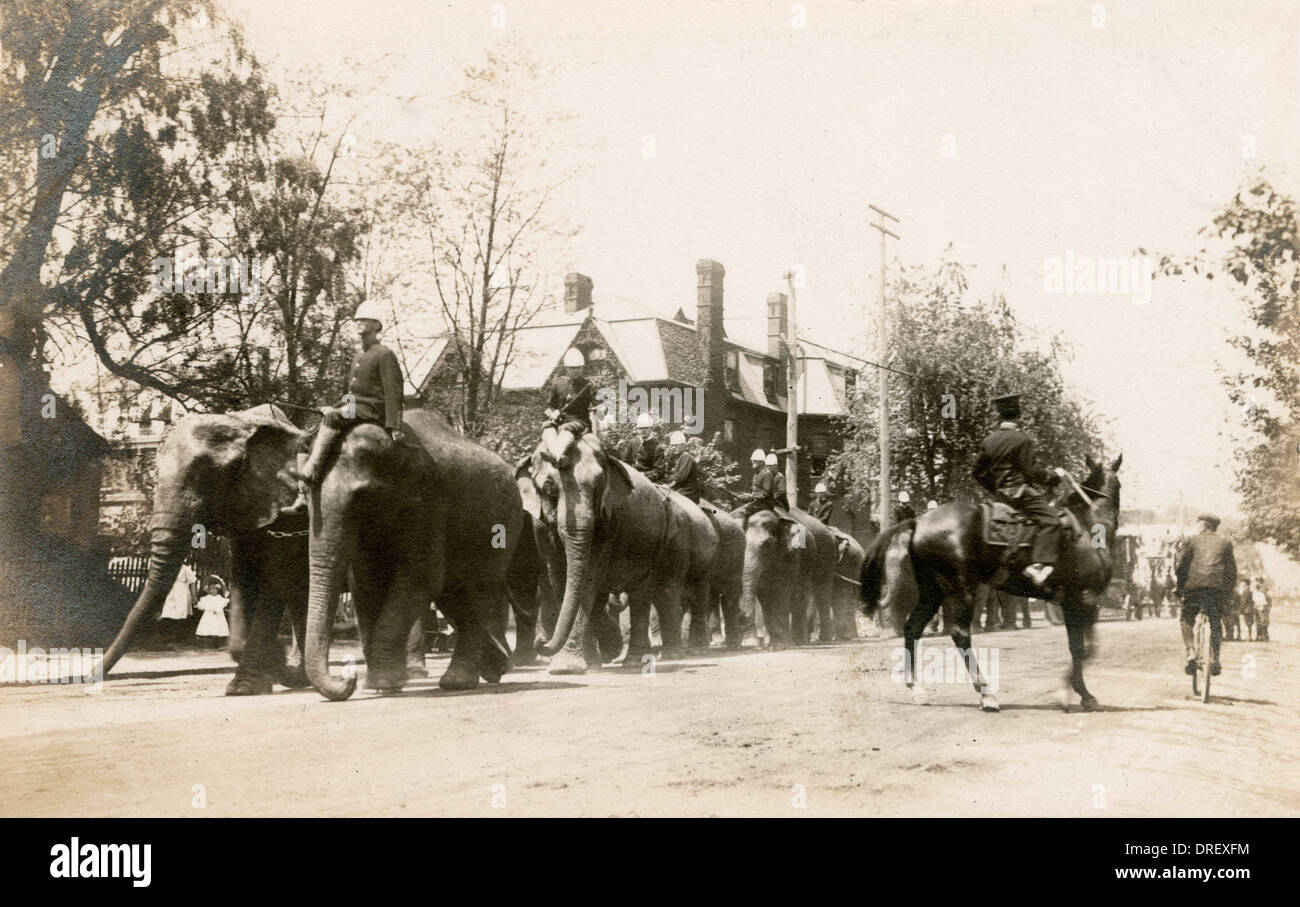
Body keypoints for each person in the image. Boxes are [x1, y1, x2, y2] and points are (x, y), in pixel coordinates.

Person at [291, 301, 405, 510]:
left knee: (333, 418)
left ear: (376, 325)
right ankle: (302, 494)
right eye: (357, 320)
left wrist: (394, 425)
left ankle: (310, 470)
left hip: (372, 409)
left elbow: (393, 391)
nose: (358, 323)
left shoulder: (384, 354)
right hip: (355, 406)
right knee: (304, 439)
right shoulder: (358, 355)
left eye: (364, 319)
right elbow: (352, 393)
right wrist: (334, 406)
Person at [971, 392, 1061, 590]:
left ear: (1000, 415)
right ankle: (1038, 564)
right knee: (1051, 521)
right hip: (1021, 493)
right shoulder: (1023, 440)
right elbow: (1032, 471)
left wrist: (995, 488)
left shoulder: (989, 440)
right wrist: (1053, 477)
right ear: (1018, 414)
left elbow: (977, 473)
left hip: (1001, 497)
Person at [1174, 512, 1236, 677]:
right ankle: (1215, 659)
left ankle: (1191, 653)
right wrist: (1228, 592)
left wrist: (1179, 589)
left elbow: (1181, 567)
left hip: (1193, 588)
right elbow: (1232, 572)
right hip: (1216, 589)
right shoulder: (1225, 542)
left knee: (1187, 618)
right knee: (1216, 621)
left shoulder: (1192, 541)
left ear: (1203, 525)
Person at [543, 347, 598, 453]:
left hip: (580, 422)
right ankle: (554, 451)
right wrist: (553, 413)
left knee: (566, 428)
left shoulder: (589, 385)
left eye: (578, 367)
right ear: (566, 368)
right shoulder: (557, 384)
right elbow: (550, 406)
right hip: (559, 421)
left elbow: (598, 406)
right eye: (572, 368)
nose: (576, 370)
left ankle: (556, 456)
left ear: (582, 368)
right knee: (547, 427)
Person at [160, 561, 196, 643]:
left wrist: (194, 596)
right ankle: (166, 636)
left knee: (180, 613)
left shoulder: (185, 568)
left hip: (181, 592)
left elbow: (192, 582)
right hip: (171, 591)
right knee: (168, 611)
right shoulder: (169, 567)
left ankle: (180, 637)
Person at [622, 412, 662, 479]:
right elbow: (626, 462)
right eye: (641, 428)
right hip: (632, 477)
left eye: (646, 428)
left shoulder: (657, 447)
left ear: (651, 429)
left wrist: (643, 475)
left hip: (648, 480)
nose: (643, 431)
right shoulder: (633, 442)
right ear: (637, 429)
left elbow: (658, 471)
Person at [664, 431, 701, 503]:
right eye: (672, 445)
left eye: (676, 445)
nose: (673, 447)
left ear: (683, 445)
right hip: (681, 488)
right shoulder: (680, 457)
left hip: (688, 491)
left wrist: (668, 486)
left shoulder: (686, 456)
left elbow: (680, 477)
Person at [740, 449, 777, 520]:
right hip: (757, 503)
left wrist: (751, 496)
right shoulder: (756, 474)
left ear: (761, 462)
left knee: (746, 513)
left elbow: (765, 493)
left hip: (765, 505)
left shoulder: (767, 474)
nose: (752, 461)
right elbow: (755, 490)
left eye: (755, 460)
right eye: (752, 460)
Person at [195, 576, 230, 649]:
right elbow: (202, 605)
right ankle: (208, 643)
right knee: (208, 628)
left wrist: (217, 609)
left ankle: (218, 643)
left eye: (214, 589)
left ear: (218, 590)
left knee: (217, 628)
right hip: (208, 615)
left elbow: (221, 605)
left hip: (217, 615)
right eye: (210, 589)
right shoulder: (206, 598)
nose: (212, 591)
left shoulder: (220, 598)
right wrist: (202, 606)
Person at [1254, 577, 1271, 641]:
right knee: (1259, 623)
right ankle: (1260, 637)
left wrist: (1265, 608)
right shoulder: (1259, 592)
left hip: (1262, 609)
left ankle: (1263, 637)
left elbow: (1268, 603)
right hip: (1259, 609)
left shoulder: (1264, 593)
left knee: (1263, 623)